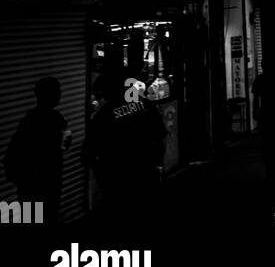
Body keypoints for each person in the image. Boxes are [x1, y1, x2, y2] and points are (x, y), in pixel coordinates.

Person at [82, 69, 166, 218]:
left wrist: (103, 178)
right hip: (145, 176)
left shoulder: (104, 116)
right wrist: (157, 163)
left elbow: (88, 153)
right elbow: (161, 136)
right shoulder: (144, 105)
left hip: (117, 182)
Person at [3, 76, 70, 223]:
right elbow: (59, 148)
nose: (60, 95)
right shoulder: (53, 119)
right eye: (56, 91)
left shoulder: (32, 119)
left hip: (32, 186)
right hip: (45, 185)